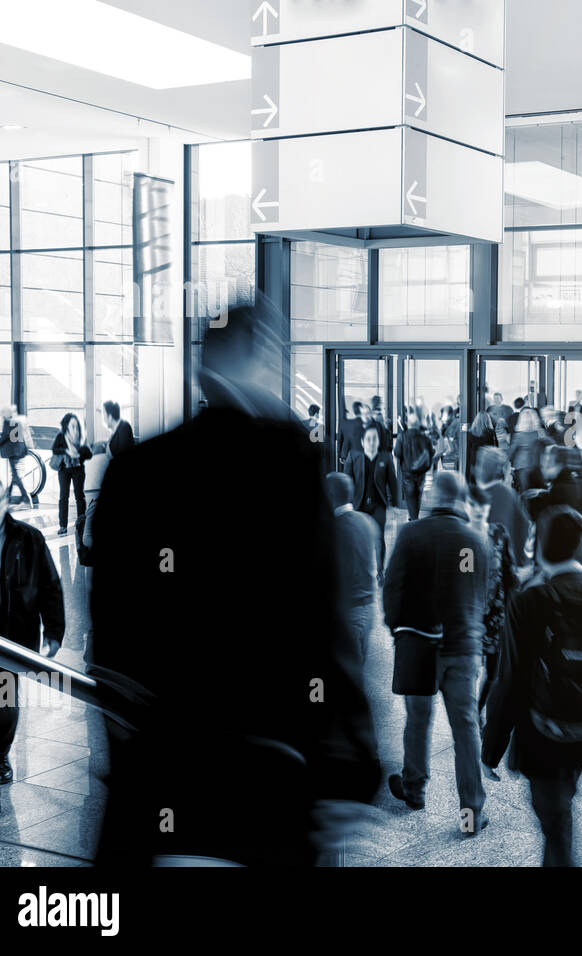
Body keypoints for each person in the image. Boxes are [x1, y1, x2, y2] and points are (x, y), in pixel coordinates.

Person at [90, 296, 380, 863]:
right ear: (263, 352)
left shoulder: (134, 470)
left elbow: (110, 645)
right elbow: (320, 618)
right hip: (262, 771)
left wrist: (133, 757)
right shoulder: (284, 460)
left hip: (163, 771)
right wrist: (351, 759)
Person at [482, 506, 582, 867]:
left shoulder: (528, 600)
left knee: (555, 823)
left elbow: (510, 679)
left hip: (541, 734)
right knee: (558, 814)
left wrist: (490, 749)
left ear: (540, 549)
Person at [384, 471, 489, 836]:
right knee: (465, 728)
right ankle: (471, 809)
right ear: (460, 500)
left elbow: (392, 587)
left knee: (418, 719)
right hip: (462, 647)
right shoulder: (473, 541)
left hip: (419, 644)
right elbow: (480, 596)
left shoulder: (412, 534)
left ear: (433, 498)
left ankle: (415, 789)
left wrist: (396, 629)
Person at [0, 474, 64, 826]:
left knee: (6, 708)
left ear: (5, 503)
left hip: (10, 643)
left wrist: (54, 631)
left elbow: (50, 585)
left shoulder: (28, 539)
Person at [466, 486, 516, 719]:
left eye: (482, 505)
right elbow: (463, 577)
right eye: (473, 505)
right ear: (467, 506)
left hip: (497, 613)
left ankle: (478, 709)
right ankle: (471, 712)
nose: (478, 510)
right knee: (472, 670)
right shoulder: (464, 538)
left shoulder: (499, 534)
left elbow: (509, 571)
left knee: (493, 673)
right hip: (471, 615)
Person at [325, 473, 379, 671]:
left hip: (347, 614)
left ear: (330, 495)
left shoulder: (334, 529)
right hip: (367, 609)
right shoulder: (367, 522)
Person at [347, 426, 400, 583]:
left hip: (378, 505)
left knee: (378, 538)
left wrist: (395, 504)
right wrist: (347, 503)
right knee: (357, 539)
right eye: (368, 439)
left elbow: (393, 482)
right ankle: (358, 571)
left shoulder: (386, 458)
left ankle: (380, 571)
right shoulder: (353, 457)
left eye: (374, 439)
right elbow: (348, 482)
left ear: (378, 441)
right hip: (359, 504)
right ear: (363, 442)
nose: (371, 442)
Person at [474, 446, 531, 570]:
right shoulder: (507, 494)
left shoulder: (471, 495)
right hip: (504, 566)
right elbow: (523, 527)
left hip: (480, 566)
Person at [51, 412, 92, 536]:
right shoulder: (61, 436)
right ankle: (63, 526)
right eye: (72, 425)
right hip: (64, 469)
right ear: (67, 425)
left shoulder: (81, 437)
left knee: (80, 496)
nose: (75, 428)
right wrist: (66, 451)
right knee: (64, 497)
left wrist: (79, 453)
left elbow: (88, 454)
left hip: (78, 469)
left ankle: (81, 522)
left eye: (76, 425)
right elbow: (54, 449)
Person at [397, 406, 434, 521]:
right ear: (417, 424)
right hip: (421, 471)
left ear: (408, 423)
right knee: (418, 495)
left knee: (410, 496)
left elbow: (397, 453)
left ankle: (413, 518)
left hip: (407, 471)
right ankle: (414, 516)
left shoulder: (402, 436)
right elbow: (431, 452)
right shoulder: (425, 437)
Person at [0, 407, 32, 508]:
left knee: (15, 475)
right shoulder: (17, 421)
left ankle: (25, 498)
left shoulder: (7, 422)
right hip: (20, 450)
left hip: (13, 451)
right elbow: (16, 437)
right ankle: (7, 497)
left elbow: (5, 436)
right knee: (14, 475)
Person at [337, 401, 367, 469]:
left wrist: (341, 455)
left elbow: (342, 440)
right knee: (360, 477)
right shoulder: (364, 423)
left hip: (347, 455)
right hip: (360, 454)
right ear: (361, 410)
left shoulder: (347, 423)